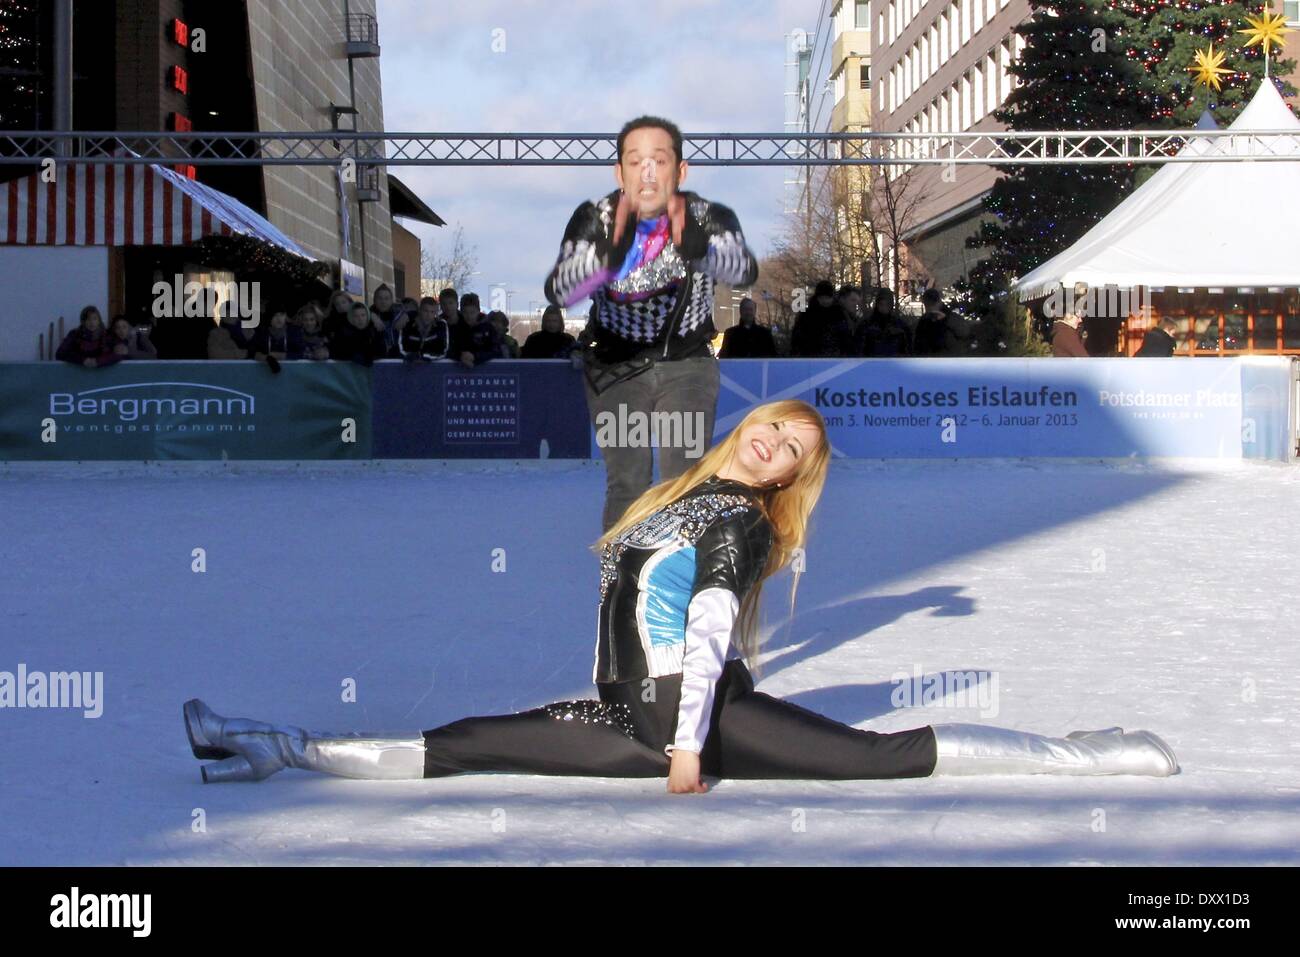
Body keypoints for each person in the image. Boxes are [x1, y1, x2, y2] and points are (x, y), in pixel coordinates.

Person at [183, 398, 1179, 789]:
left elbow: (706, 626)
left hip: (688, 718)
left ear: (791, 476)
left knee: (882, 757)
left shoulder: (739, 523)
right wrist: (602, 695)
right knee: (470, 739)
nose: (771, 442)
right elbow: (619, 608)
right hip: (625, 710)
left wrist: (692, 743)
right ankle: (272, 745)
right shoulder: (678, 498)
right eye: (772, 426)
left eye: (791, 448)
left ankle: (1089, 756)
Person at [544, 115, 759, 532]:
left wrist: (701, 249)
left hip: (688, 364)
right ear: (618, 170)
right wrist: (604, 258)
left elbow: (742, 270)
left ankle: (679, 583)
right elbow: (561, 289)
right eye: (635, 160)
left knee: (685, 479)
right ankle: (621, 587)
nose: (646, 172)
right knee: (629, 480)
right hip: (615, 366)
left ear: (680, 170)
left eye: (658, 161)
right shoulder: (595, 217)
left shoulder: (708, 215)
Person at [789, 280, 855, 358]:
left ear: (832, 298)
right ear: (817, 298)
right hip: (811, 360)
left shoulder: (840, 315)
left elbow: (846, 341)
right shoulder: (807, 317)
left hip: (835, 361)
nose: (825, 301)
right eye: (822, 297)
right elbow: (798, 342)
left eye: (827, 298)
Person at [55, 306, 121, 368]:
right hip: (78, 374)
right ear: (83, 321)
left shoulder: (108, 335)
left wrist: (98, 361)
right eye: (88, 319)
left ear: (99, 320)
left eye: (95, 319)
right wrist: (82, 360)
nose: (92, 322)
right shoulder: (74, 334)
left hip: (103, 375)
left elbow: (119, 354)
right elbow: (60, 353)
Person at [854, 289, 911, 357]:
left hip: (894, 364)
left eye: (887, 304)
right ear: (877, 304)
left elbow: (907, 350)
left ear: (891, 305)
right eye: (881, 304)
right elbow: (858, 349)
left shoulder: (900, 326)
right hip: (872, 364)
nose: (884, 307)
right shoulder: (866, 325)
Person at [397, 296, 450, 360]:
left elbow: (444, 351)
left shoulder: (441, 325)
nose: (428, 315)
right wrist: (412, 357)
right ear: (419, 310)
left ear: (435, 313)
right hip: (410, 366)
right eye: (425, 311)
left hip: (434, 367)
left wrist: (423, 357)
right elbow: (401, 348)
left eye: (432, 312)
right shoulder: (408, 324)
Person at [912, 288, 949, 357]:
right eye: (928, 304)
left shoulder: (950, 319)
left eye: (933, 303)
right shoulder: (923, 322)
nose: (930, 307)